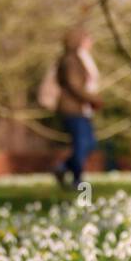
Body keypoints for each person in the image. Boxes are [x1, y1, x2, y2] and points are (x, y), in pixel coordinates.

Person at [52, 27, 102, 189]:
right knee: (81, 144)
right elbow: (74, 85)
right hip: (72, 108)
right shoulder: (71, 60)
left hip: (81, 108)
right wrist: (92, 99)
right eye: (86, 39)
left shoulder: (78, 59)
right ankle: (77, 178)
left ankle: (64, 168)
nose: (90, 43)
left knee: (89, 144)